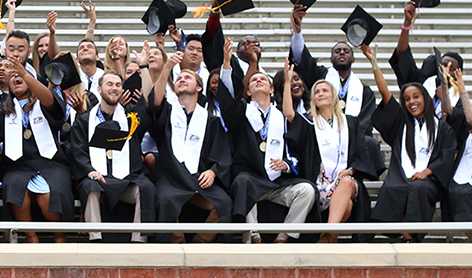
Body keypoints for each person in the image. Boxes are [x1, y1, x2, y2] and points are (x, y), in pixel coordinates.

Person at [216, 38, 318, 243]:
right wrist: (226, 63)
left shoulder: (282, 116)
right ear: (248, 92)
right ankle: (253, 235)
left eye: (263, 79)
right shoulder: (241, 112)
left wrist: (286, 165)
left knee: (307, 190)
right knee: (242, 182)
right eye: (254, 80)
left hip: (278, 183)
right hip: (252, 180)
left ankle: (284, 235)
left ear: (272, 90)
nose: (258, 80)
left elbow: (296, 150)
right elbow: (226, 100)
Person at [366, 43, 456, 239]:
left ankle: (409, 236)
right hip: (401, 176)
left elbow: (447, 156)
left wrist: (427, 172)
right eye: (407, 99)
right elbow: (386, 94)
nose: (412, 102)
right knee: (393, 188)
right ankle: (405, 236)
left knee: (419, 188)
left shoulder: (442, 128)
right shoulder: (402, 124)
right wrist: (374, 64)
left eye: (416, 97)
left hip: (429, 180)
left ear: (425, 98)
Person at [0, 57, 74, 243]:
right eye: (13, 77)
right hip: (18, 166)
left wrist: (25, 74)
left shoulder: (44, 102)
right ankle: (31, 236)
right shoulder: (6, 109)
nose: (17, 78)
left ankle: (60, 235)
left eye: (22, 76)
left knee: (48, 199)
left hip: (51, 164)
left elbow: (51, 100)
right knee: (16, 191)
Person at [282, 64, 375, 243]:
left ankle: (327, 233)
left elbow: (362, 153)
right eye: (316, 92)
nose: (321, 94)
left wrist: (351, 170)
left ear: (334, 96)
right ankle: (331, 236)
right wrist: (287, 83)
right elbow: (289, 113)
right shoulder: (310, 123)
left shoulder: (351, 123)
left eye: (325, 90)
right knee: (347, 205)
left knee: (347, 182)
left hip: (345, 179)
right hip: (320, 183)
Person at [289, 2, 384, 173]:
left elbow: (364, 123)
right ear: (331, 59)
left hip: (352, 141)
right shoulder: (320, 77)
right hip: (321, 134)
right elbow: (301, 58)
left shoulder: (364, 91)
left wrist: (345, 136)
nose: (341, 53)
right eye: (337, 51)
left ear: (353, 59)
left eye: (346, 51)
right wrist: (297, 31)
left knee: (369, 143)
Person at [150, 51, 233, 241]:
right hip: (171, 178)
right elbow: (156, 101)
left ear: (199, 87)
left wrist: (213, 172)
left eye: (187, 78)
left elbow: (221, 153)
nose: (181, 80)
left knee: (224, 203)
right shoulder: (168, 113)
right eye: (179, 78)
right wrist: (167, 68)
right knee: (164, 201)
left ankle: (200, 243)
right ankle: (177, 245)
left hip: (198, 179)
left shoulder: (210, 120)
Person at [69, 70, 154, 242]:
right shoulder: (85, 120)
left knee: (146, 188)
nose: (114, 88)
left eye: (118, 85)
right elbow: (78, 151)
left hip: (126, 180)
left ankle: (139, 242)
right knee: (90, 187)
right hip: (98, 180)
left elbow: (149, 101)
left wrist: (144, 67)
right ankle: (96, 239)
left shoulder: (131, 120)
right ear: (99, 89)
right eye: (109, 84)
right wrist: (90, 171)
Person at [390, 1, 462, 118]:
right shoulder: (421, 83)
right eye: (444, 65)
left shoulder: (460, 102)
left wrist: (444, 100)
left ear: (459, 74)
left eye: (452, 68)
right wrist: (407, 24)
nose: (446, 70)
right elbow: (402, 54)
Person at [442, 65, 472, 228]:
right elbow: (449, 110)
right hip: (465, 166)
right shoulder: (463, 117)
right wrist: (445, 84)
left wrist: (463, 90)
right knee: (457, 191)